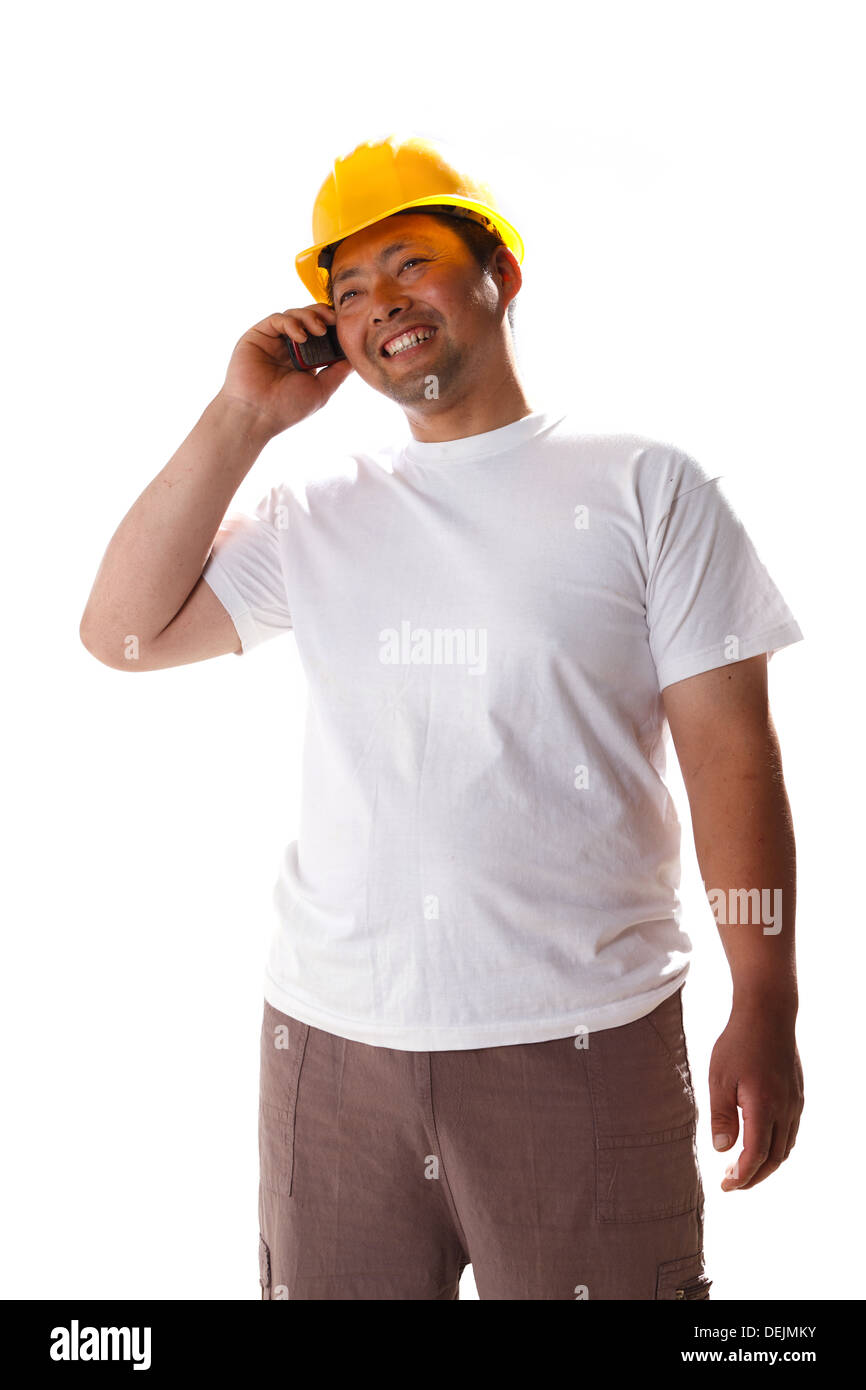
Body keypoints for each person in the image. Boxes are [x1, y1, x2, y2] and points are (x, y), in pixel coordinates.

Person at [80, 133, 805, 1301]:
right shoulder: (314, 508)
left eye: (408, 264)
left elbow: (732, 761)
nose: (379, 307)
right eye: (348, 291)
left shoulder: (642, 485)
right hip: (330, 1056)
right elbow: (120, 635)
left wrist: (762, 995)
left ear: (498, 277)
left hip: (581, 1043)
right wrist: (239, 416)